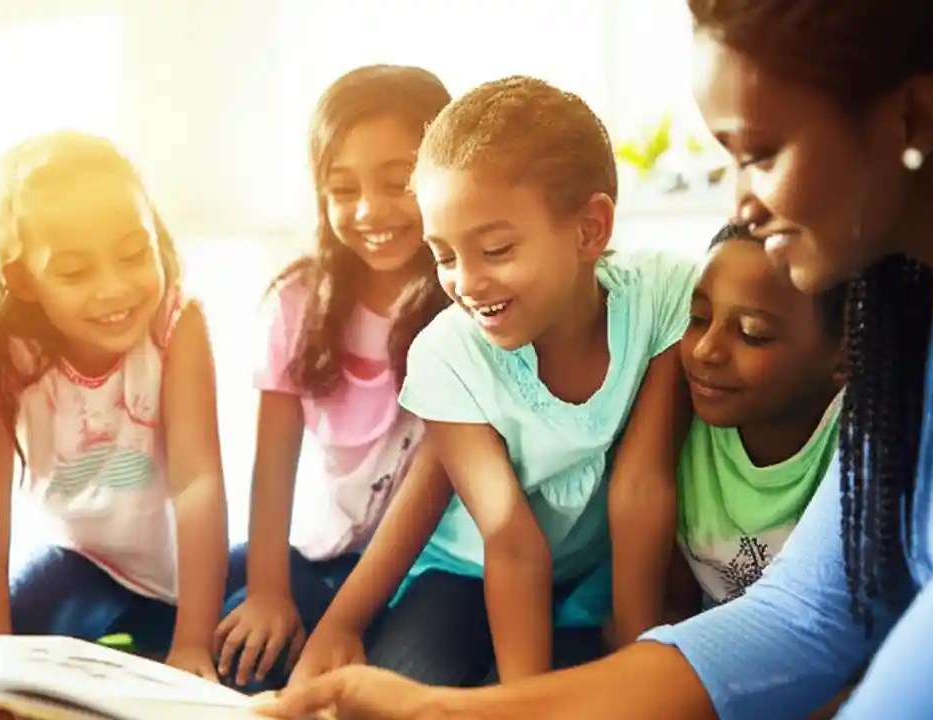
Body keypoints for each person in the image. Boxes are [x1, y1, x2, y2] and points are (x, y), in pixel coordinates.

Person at [262, 1, 933, 717]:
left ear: (913, 120)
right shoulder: (920, 319)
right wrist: (441, 712)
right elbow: (801, 617)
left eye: (759, 154)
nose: (741, 205)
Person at [295, 75, 697, 689]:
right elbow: (510, 537)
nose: (468, 283)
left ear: (591, 229)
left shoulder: (664, 298)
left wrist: (633, 661)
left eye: (497, 248)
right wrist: (519, 701)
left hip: (594, 575)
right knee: (413, 691)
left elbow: (642, 487)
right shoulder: (448, 355)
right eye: (446, 255)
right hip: (465, 568)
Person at [210, 65, 453, 691]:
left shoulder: (467, 302)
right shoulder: (299, 298)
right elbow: (272, 468)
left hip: (437, 569)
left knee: (395, 691)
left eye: (398, 181)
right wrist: (267, 591)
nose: (370, 210)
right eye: (342, 188)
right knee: (233, 656)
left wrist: (339, 625)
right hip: (319, 556)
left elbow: (440, 479)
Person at [0, 131, 228, 680]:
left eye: (133, 255)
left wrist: (193, 643)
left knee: (239, 655)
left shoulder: (177, 325)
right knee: (5, 635)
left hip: (175, 576)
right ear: (23, 279)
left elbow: (198, 481)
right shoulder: (2, 354)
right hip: (77, 561)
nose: (115, 289)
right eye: (76, 272)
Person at [673, 222, 845, 612]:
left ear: (844, 352)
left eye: (752, 333)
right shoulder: (677, 409)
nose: (705, 350)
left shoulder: (856, 444)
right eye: (698, 317)